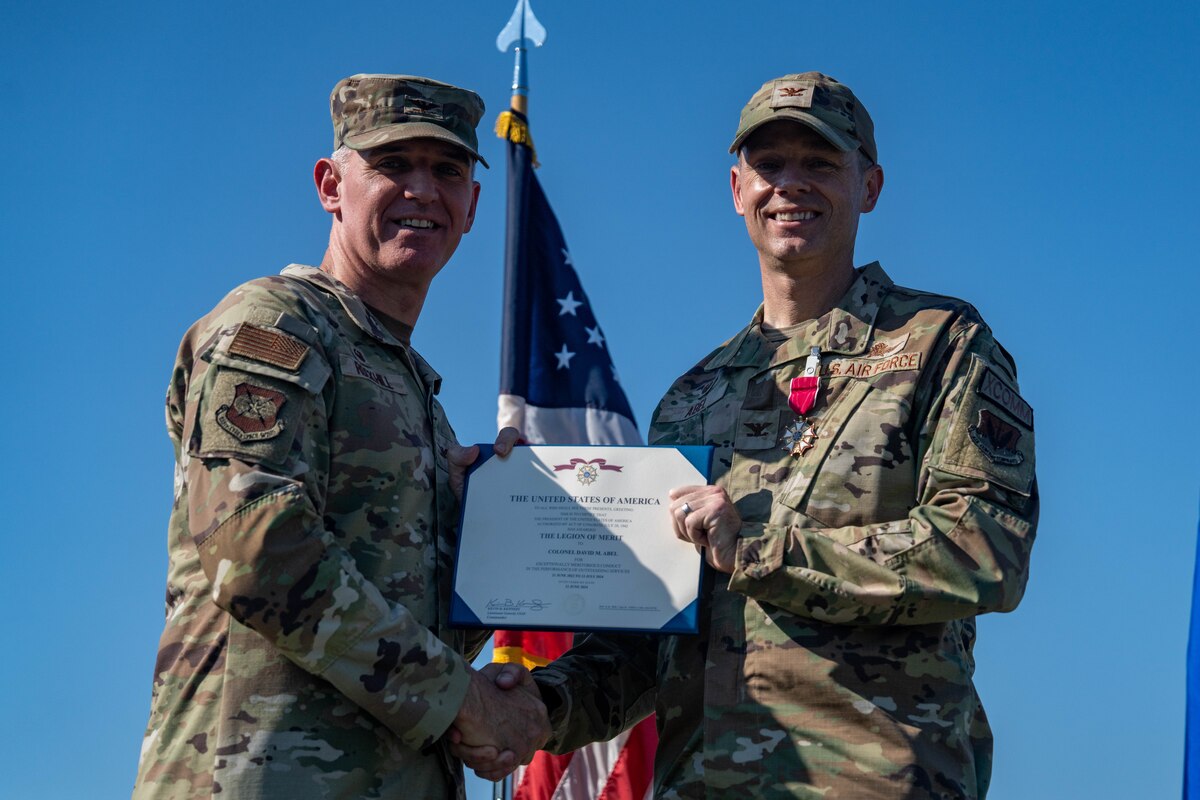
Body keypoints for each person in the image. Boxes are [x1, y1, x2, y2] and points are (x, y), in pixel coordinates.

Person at [457, 72, 1038, 799]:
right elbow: (652, 633)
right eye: (770, 165)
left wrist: (761, 551)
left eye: (820, 162)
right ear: (737, 190)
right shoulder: (692, 400)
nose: (791, 184)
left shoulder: (942, 345)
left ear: (870, 186)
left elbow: (985, 548)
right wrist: (541, 705)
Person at [133, 73, 547, 800]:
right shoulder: (275, 325)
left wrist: (487, 523)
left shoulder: (418, 395)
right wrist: (459, 700)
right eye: (392, 164)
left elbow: (404, 611)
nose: (423, 189)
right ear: (331, 185)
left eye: (447, 170)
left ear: (472, 206)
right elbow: (255, 548)